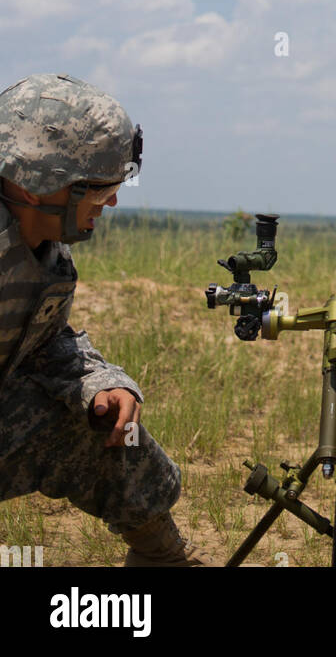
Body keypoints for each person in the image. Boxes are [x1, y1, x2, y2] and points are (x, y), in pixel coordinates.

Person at [0, 73, 215, 567]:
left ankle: (163, 558)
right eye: (99, 187)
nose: (112, 201)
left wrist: (103, 383)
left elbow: (45, 346)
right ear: (35, 186)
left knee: (105, 423)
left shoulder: (45, 255)